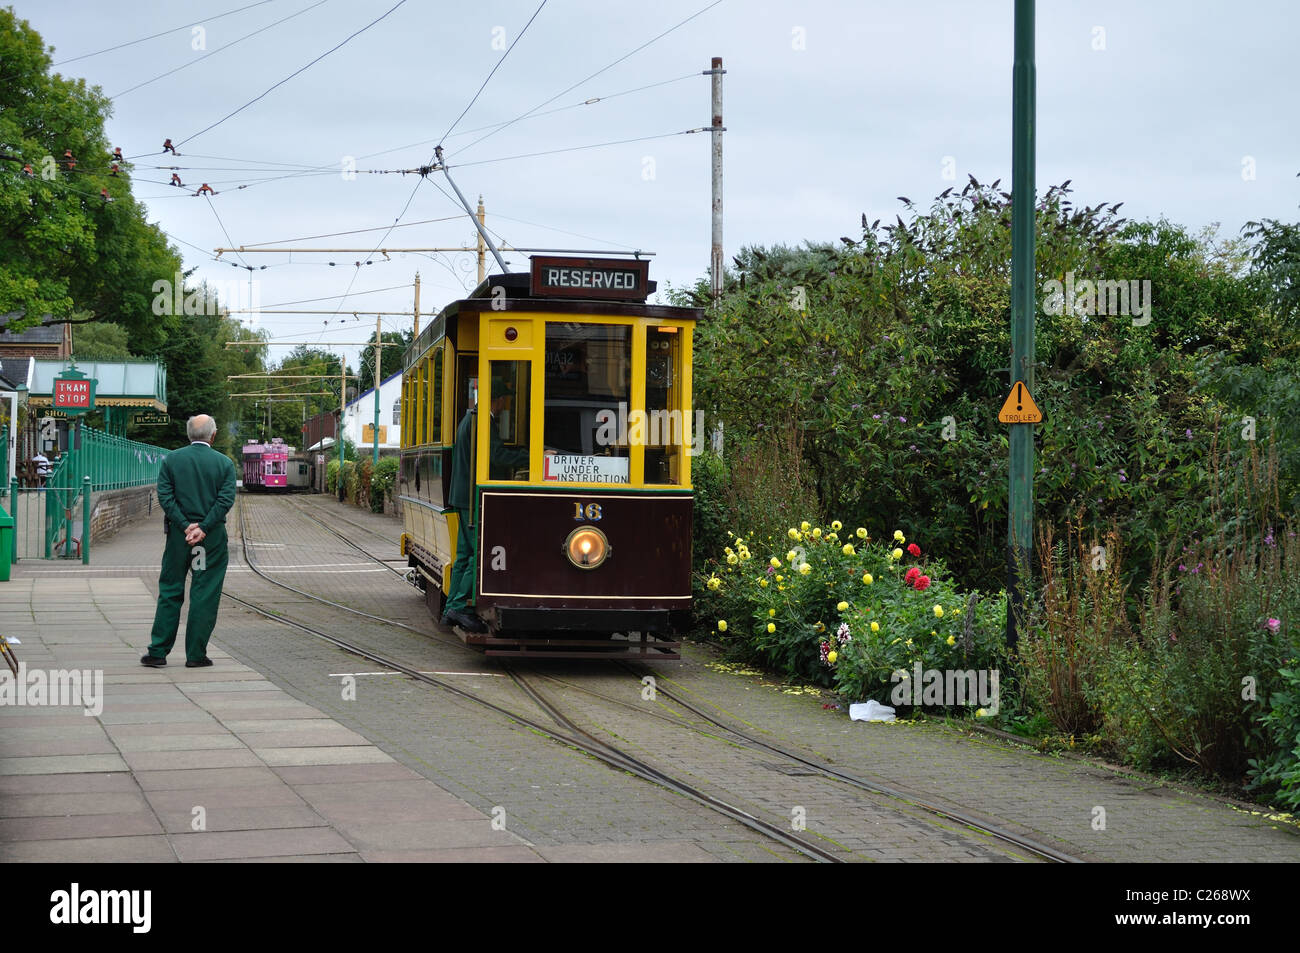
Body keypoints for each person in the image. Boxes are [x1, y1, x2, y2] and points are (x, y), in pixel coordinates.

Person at [141, 415, 237, 668]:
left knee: (171, 590)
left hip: (178, 536)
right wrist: (203, 528)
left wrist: (185, 526)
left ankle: (158, 652)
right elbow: (225, 501)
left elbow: (165, 495)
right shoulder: (224, 464)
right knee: (205, 592)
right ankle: (195, 655)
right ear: (213, 435)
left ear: (188, 435)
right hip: (212, 538)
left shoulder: (172, 460)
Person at [442, 375, 527, 633]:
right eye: (504, 401)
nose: (505, 407)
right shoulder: (481, 422)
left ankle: (449, 610)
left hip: (459, 495)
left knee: (464, 556)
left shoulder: (469, 419)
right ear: (497, 400)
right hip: (469, 498)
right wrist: (532, 457)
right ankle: (459, 606)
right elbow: (498, 455)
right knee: (477, 554)